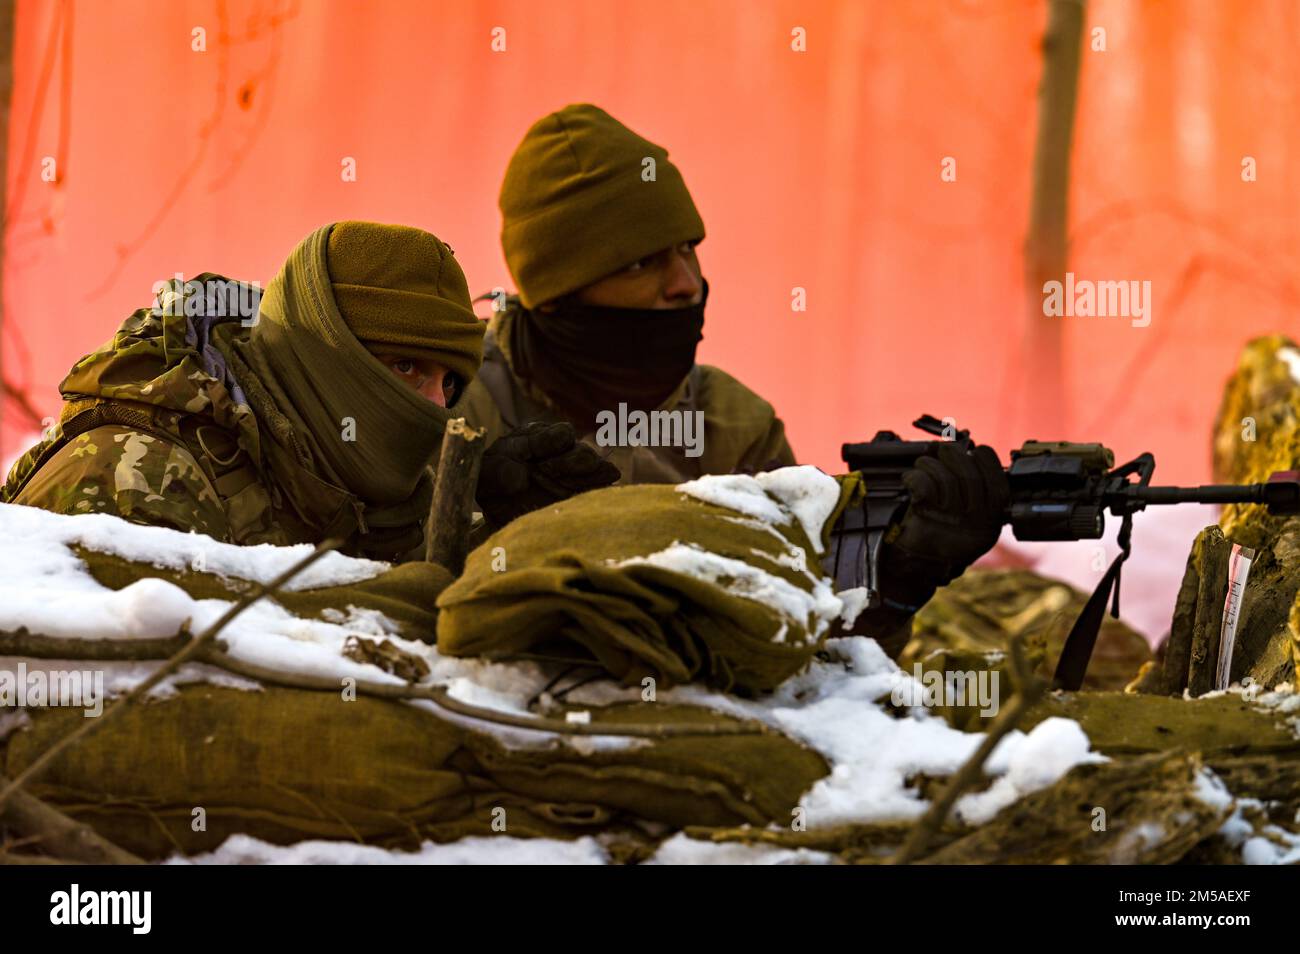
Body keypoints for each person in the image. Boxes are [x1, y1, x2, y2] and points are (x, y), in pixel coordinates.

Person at [2, 221, 616, 560]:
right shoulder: (139, 470)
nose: (434, 407)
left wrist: (494, 540)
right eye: (406, 368)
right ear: (322, 355)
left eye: (448, 381)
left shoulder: (350, 483)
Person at [459, 103, 795, 485]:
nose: (686, 284)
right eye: (640, 264)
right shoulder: (454, 406)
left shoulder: (735, 427)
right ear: (554, 293)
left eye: (687, 247)